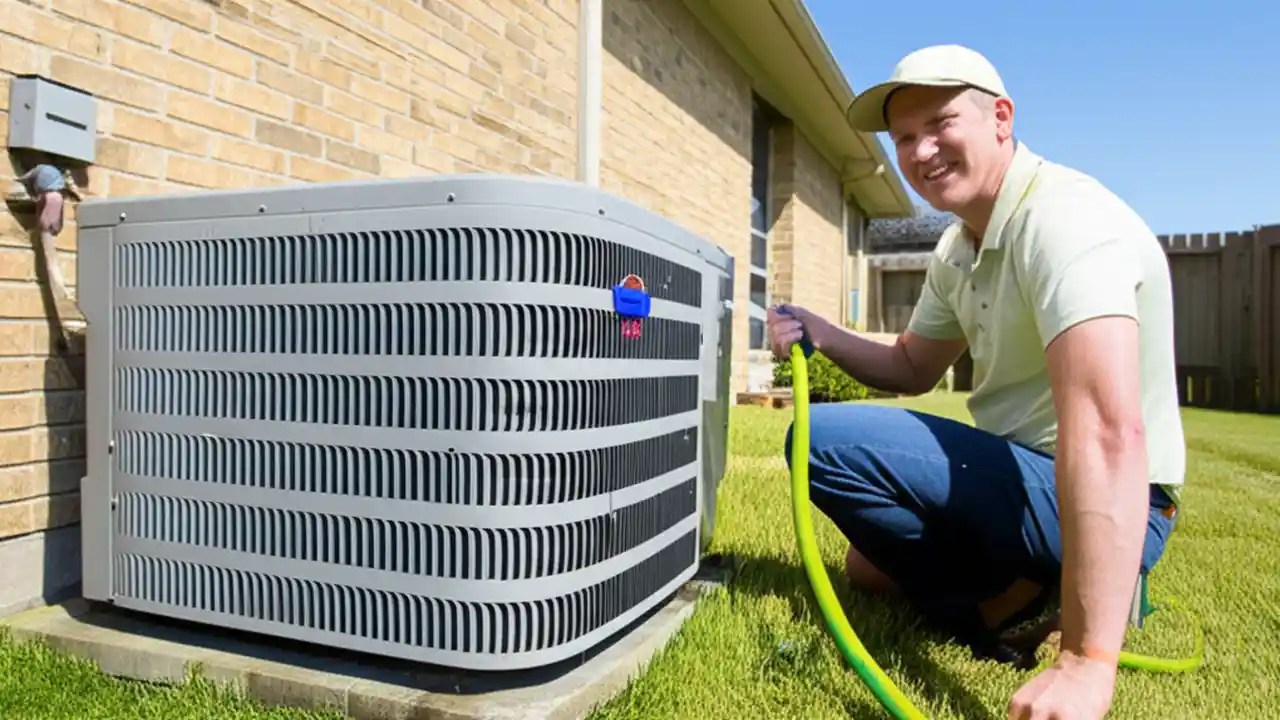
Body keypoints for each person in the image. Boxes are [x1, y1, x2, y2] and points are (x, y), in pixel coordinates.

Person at [767, 44, 1185, 720]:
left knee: (824, 441)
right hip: (1028, 481)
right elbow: (910, 366)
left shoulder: (1062, 220)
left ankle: (1070, 600)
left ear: (1001, 117)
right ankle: (1018, 602)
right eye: (904, 137)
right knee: (867, 569)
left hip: (1125, 500)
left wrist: (1086, 663)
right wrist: (822, 330)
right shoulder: (959, 245)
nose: (921, 149)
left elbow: (1109, 431)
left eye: (940, 124)